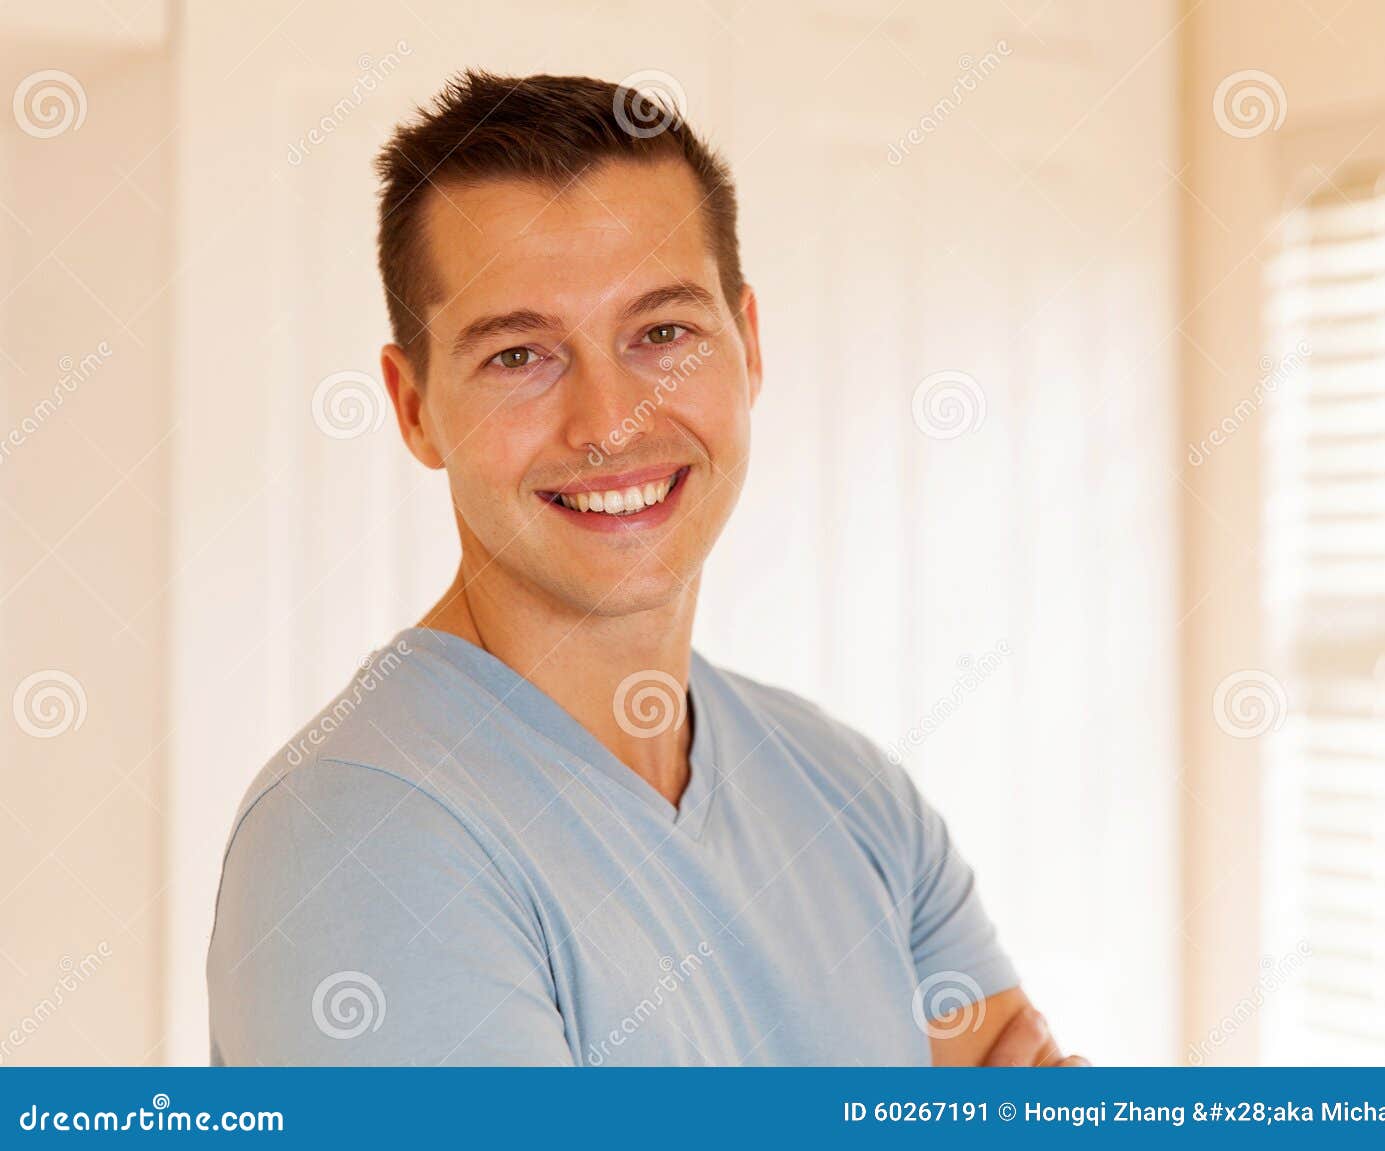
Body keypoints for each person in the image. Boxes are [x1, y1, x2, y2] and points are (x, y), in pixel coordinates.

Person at [206, 70, 1082, 1067]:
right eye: (519, 355)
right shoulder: (359, 842)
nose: (607, 420)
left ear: (746, 346)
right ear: (414, 408)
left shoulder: (847, 794)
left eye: (662, 333)